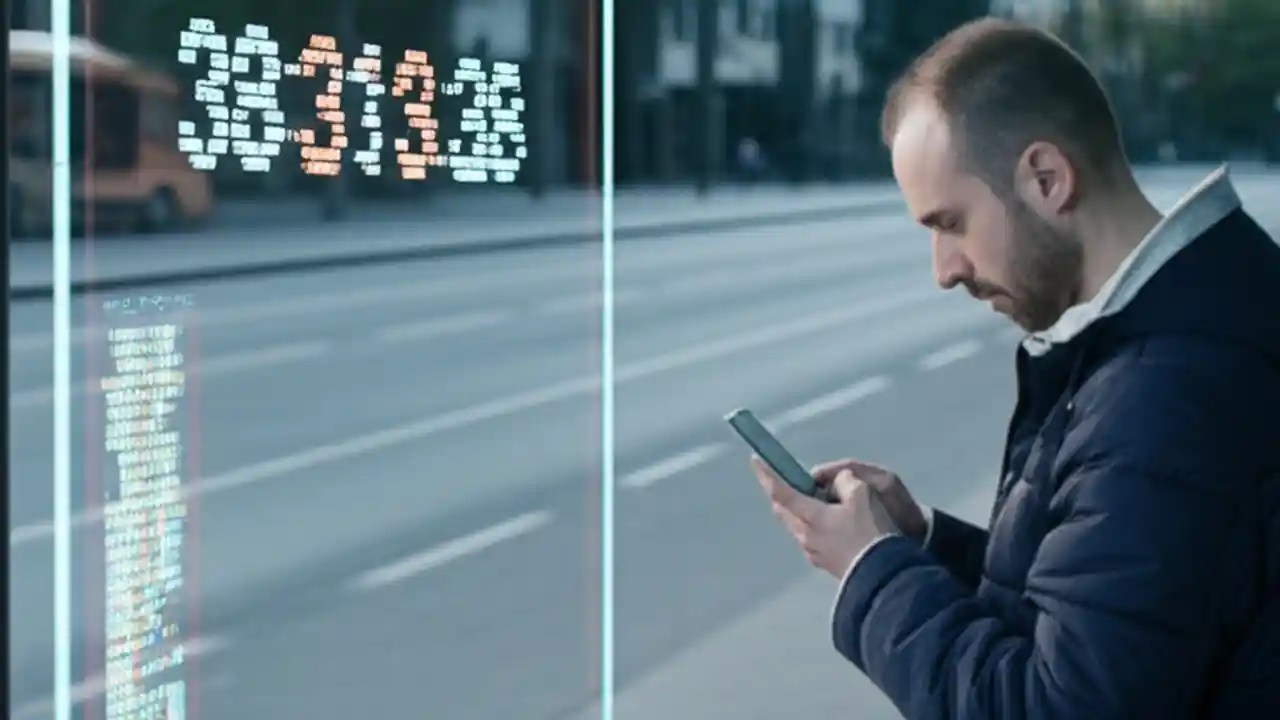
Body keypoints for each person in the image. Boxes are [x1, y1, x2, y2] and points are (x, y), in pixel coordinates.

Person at [751, 17, 1280, 719]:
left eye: (949, 224)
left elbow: (1056, 706)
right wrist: (921, 547)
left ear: (1045, 178)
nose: (944, 272)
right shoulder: (1193, 315)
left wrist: (872, 573)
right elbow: (1117, 617)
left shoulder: (1168, 390)